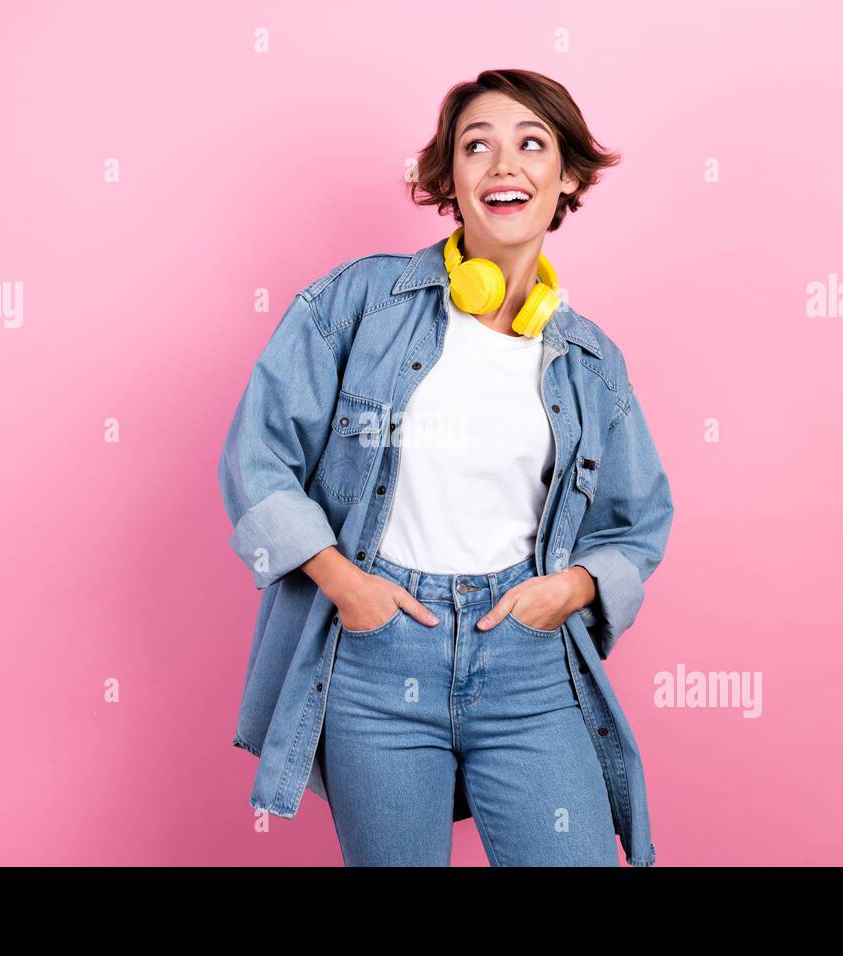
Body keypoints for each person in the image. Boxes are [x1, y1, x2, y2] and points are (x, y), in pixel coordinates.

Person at [217, 68, 674, 866]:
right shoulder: (359, 302)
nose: (504, 164)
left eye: (531, 144)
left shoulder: (591, 362)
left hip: (528, 662)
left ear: (565, 176)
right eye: (477, 146)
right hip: (377, 654)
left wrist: (572, 589)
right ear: (449, 179)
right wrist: (347, 587)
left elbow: (640, 523)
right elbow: (256, 460)